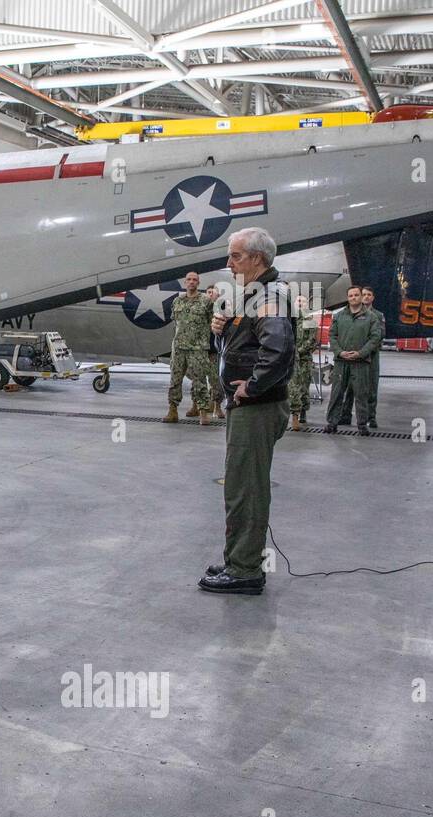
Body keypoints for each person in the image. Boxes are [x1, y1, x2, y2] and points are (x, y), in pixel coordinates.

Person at [200, 226, 294, 596]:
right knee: (240, 486)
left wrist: (252, 387)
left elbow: (278, 349)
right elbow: (246, 344)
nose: (229, 263)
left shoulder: (269, 296)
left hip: (256, 408)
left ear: (257, 258)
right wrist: (219, 330)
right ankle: (237, 559)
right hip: (246, 407)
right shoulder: (253, 295)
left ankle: (245, 570)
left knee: (246, 490)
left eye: (236, 256)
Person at [324, 286, 382, 436]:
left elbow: (375, 338)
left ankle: (362, 424)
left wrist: (361, 353)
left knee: (361, 394)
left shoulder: (371, 317)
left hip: (360, 362)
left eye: (356, 295)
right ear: (347, 298)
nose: (353, 298)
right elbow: (332, 336)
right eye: (350, 296)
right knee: (336, 393)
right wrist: (340, 352)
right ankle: (332, 423)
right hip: (341, 362)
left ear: (360, 297)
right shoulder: (339, 316)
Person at [163, 271, 213, 425]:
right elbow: (175, 322)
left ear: (198, 283)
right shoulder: (177, 301)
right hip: (179, 348)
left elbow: (211, 322)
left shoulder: (206, 301)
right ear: (185, 282)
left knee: (200, 380)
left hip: (198, 348)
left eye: (194, 280)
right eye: (189, 279)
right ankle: (172, 410)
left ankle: (203, 411)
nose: (191, 282)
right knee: (175, 380)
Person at [288, 294, 320, 431]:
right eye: (298, 301)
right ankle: (294, 413)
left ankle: (303, 411)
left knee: (304, 386)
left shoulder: (310, 320)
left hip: (304, 359)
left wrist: (299, 351)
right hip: (291, 359)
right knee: (292, 387)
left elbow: (312, 341)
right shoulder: (289, 320)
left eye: (303, 301)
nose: (300, 303)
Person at [362, 285, 383, 429]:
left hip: (372, 356)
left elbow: (380, 335)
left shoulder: (378, 315)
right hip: (355, 355)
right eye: (364, 294)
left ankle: (371, 417)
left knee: (371, 388)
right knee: (350, 388)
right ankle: (345, 415)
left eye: (369, 294)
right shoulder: (353, 313)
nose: (366, 297)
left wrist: (365, 349)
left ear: (373, 297)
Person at [204, 285, 225, 421]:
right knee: (198, 379)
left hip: (215, 351)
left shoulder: (222, 310)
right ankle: (197, 406)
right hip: (200, 349)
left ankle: (217, 407)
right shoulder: (201, 308)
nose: (211, 294)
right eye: (209, 292)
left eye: (214, 292)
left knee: (216, 380)